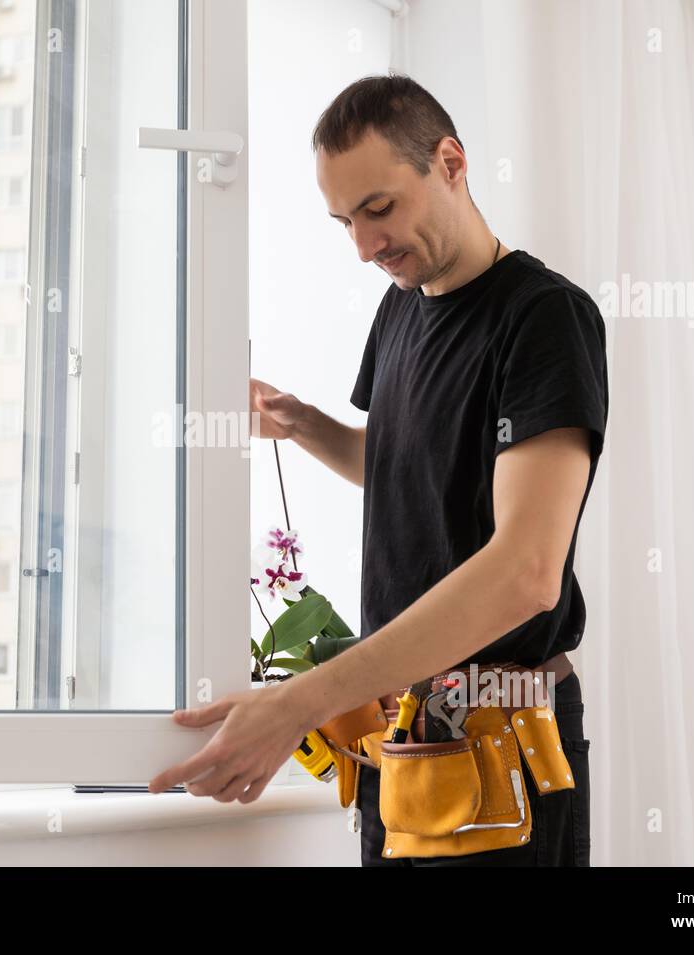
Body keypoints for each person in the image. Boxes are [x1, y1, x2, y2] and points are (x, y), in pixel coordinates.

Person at [148, 74, 608, 868]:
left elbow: (528, 572)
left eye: (379, 208)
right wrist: (303, 425)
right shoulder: (402, 306)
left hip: (500, 742)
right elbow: (413, 471)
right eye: (344, 221)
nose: (363, 246)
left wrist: (299, 701)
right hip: (404, 741)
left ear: (451, 162)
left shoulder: (542, 318)